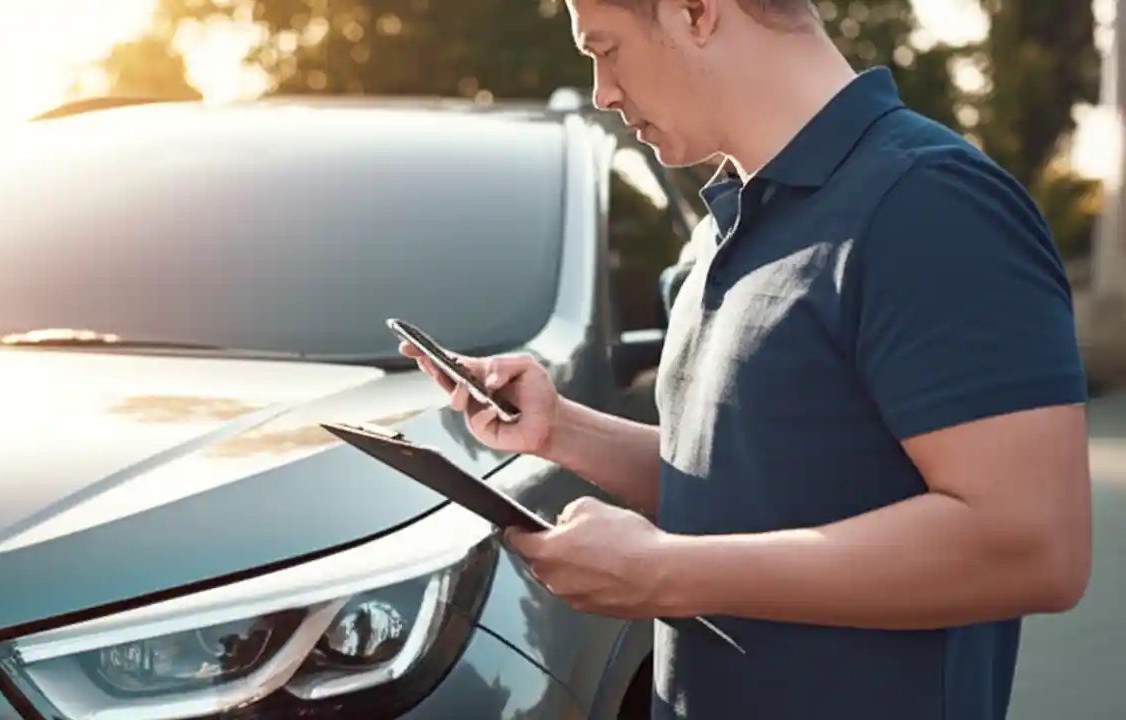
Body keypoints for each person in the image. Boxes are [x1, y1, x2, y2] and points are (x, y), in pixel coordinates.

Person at [397, 0, 1093, 717]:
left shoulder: (932, 203)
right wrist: (562, 429)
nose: (602, 91)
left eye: (604, 48)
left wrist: (667, 573)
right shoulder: (721, 229)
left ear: (696, 12)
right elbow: (752, 487)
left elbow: (1029, 546)